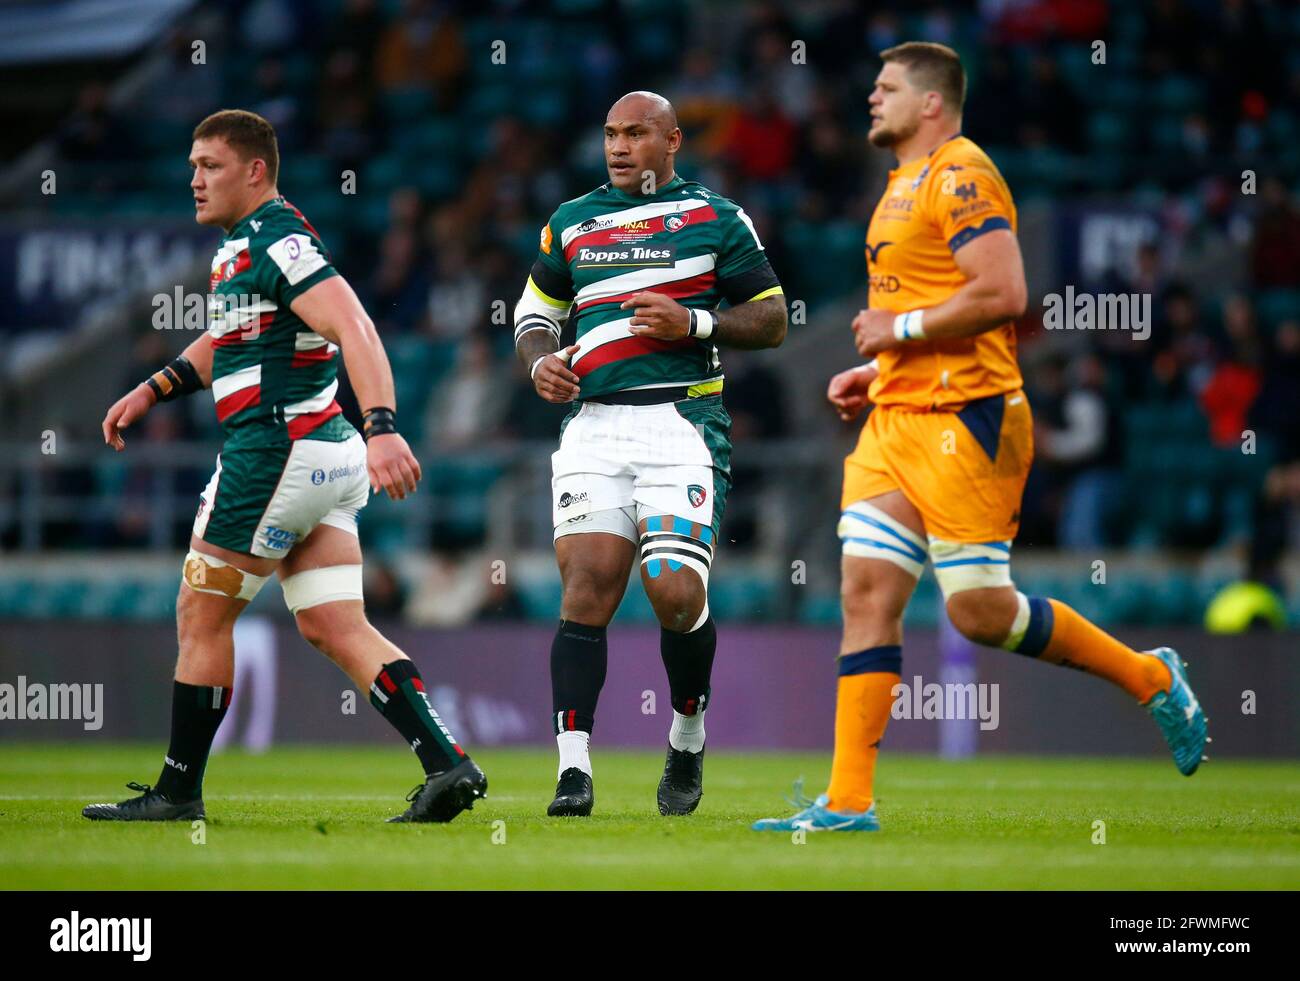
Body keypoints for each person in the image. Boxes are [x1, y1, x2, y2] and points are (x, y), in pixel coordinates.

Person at [754, 43, 1206, 834]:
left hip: (971, 419)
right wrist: (884, 366)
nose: (870, 97)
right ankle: (849, 802)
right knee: (865, 595)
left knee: (978, 613)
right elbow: (925, 303)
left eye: (887, 87)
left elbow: (1005, 292)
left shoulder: (962, 173)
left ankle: (1149, 678)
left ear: (932, 103)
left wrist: (900, 327)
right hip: (898, 418)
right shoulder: (900, 183)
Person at [84, 109, 485, 824]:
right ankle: (447, 763)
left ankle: (178, 792)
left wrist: (384, 427)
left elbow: (352, 323)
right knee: (336, 624)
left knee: (200, 614)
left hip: (276, 450)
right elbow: (230, 335)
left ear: (255, 170)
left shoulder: (279, 238)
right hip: (321, 457)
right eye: (191, 166)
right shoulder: (244, 247)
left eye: (209, 165)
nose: (194, 179)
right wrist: (153, 387)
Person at [514, 91, 787, 817]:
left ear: (672, 141)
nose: (619, 145)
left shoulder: (717, 218)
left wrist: (696, 321)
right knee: (586, 588)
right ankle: (574, 772)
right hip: (595, 425)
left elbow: (773, 317)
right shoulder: (571, 220)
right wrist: (539, 359)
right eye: (609, 133)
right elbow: (534, 312)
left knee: (673, 590)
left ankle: (688, 734)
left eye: (636, 133)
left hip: (681, 424)